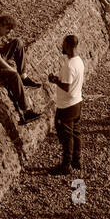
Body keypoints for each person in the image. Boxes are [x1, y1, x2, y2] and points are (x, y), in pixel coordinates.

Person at [47, 35, 85, 175]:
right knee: (76, 133)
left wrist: (55, 81)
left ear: (69, 46)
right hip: (77, 102)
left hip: (67, 106)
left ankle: (66, 165)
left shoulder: (69, 65)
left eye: (63, 45)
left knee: (66, 135)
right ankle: (77, 160)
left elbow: (67, 87)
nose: (61, 47)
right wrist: (58, 79)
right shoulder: (78, 61)